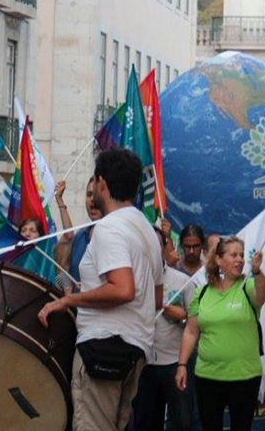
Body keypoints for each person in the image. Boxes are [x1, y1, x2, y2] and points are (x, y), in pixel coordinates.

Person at [38, 148, 163, 431]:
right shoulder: (147, 231)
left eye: (94, 182)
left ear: (102, 183)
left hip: (102, 347)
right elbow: (155, 299)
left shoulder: (108, 228)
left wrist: (69, 300)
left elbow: (122, 290)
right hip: (134, 351)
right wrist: (93, 289)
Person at [175, 236, 265, 431]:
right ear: (218, 260)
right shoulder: (201, 293)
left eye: (242, 255)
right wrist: (182, 365)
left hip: (244, 377)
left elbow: (262, 293)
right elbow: (191, 332)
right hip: (208, 377)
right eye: (233, 255)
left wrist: (258, 272)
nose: (240, 259)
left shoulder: (247, 287)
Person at [131, 226, 195, 431]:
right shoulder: (130, 282)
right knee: (145, 423)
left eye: (155, 244)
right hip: (143, 364)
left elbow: (196, 325)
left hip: (176, 364)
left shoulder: (183, 281)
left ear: (164, 246)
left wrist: (182, 317)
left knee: (183, 423)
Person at [66, 176, 103, 282]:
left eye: (96, 195)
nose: (92, 199)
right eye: (89, 194)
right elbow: (62, 274)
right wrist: (67, 288)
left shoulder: (116, 236)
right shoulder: (80, 236)